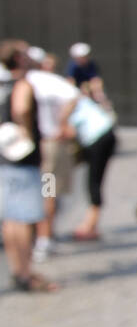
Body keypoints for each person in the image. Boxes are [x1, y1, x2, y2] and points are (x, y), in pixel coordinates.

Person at [0, 40, 56, 292]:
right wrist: (26, 135)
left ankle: (17, 270)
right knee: (23, 218)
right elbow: (21, 108)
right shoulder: (23, 84)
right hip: (21, 157)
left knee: (10, 219)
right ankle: (26, 272)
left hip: (4, 157)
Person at [25, 55, 80, 258]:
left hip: (34, 146)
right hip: (45, 145)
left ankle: (42, 237)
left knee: (44, 191)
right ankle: (44, 237)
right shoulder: (44, 80)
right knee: (47, 192)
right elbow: (73, 95)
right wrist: (63, 122)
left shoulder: (33, 80)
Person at [60, 92, 117, 241]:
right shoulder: (74, 98)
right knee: (94, 182)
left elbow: (69, 132)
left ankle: (90, 225)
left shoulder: (66, 103)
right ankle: (90, 223)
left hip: (98, 139)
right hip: (103, 135)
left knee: (93, 182)